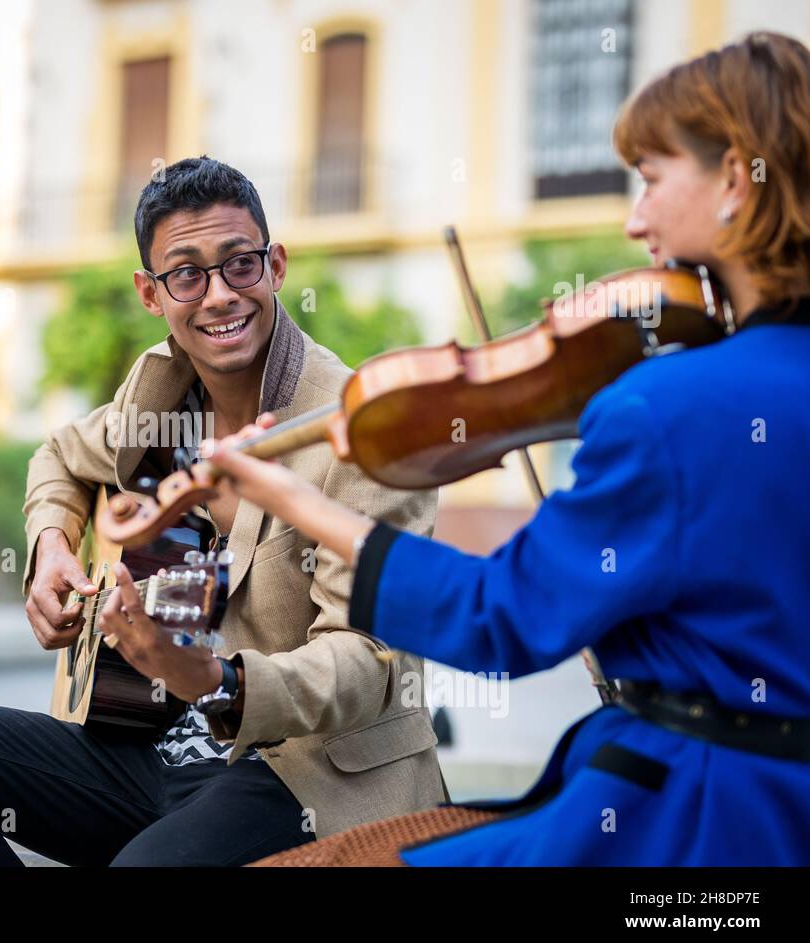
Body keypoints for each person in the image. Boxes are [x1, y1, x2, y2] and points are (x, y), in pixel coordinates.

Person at [201, 32, 810, 866]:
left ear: (738, 179)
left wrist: (297, 502)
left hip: (696, 831)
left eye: (654, 178)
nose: (637, 219)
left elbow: (500, 623)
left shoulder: (668, 407)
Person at [0, 157, 446, 866]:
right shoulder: (159, 393)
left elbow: (367, 663)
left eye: (238, 265)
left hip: (298, 771)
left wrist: (218, 681)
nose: (218, 295)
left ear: (276, 265)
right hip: (144, 750)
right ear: (150, 293)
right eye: (186, 274)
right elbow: (59, 455)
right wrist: (51, 547)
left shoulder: (360, 431)